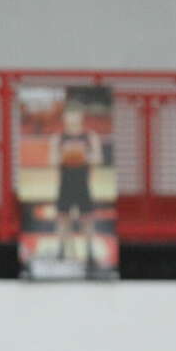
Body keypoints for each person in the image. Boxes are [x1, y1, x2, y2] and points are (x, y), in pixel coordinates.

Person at [48, 105, 102, 267]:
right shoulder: (58, 137)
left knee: (87, 220)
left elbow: (98, 158)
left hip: (82, 183)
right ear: (65, 118)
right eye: (69, 115)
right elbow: (52, 160)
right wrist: (67, 155)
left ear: (80, 117)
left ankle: (90, 252)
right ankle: (61, 251)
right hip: (65, 184)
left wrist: (81, 155)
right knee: (63, 219)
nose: (72, 118)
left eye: (75, 114)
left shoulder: (90, 136)